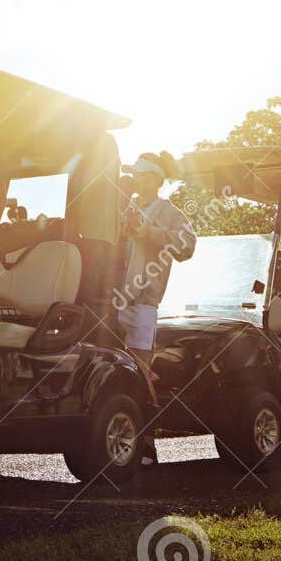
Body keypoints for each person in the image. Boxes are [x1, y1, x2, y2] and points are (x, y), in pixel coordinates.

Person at [115, 151, 196, 465]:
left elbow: (187, 246)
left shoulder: (168, 211)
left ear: (154, 178)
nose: (134, 178)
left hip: (142, 302)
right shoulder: (123, 204)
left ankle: (146, 444)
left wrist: (149, 232)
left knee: (139, 371)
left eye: (139, 174)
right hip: (110, 301)